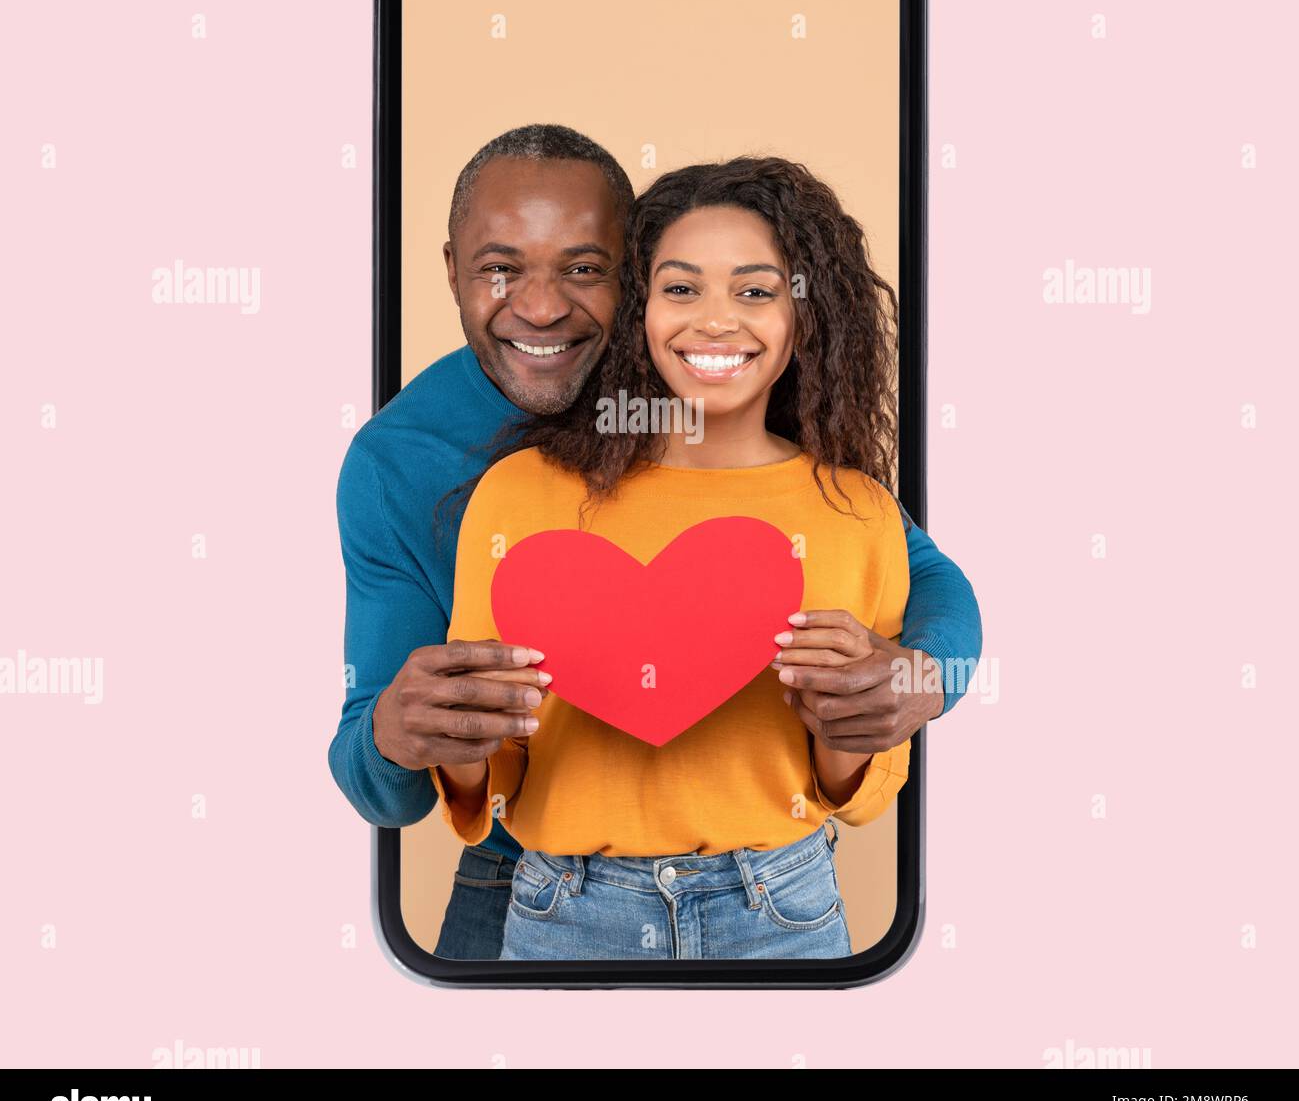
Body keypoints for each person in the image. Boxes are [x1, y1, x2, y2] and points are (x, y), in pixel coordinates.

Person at [329, 125, 982, 959]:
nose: (540, 307)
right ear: (451, 269)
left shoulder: (715, 382)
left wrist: (920, 677)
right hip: (528, 867)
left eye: (583, 269)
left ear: (628, 278)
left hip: (771, 891)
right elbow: (388, 777)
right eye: (500, 267)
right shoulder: (413, 464)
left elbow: (914, 568)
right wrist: (400, 732)